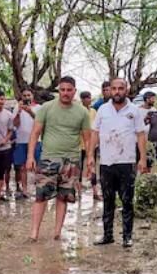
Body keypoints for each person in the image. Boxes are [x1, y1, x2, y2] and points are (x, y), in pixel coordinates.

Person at [26, 76, 92, 241]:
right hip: (48, 158)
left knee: (63, 197)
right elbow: (35, 133)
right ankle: (34, 233)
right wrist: (30, 156)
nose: (65, 93)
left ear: (74, 91)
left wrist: (90, 159)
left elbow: (88, 139)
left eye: (69, 90)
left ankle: (57, 232)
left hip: (71, 161)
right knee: (41, 196)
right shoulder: (46, 108)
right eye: (62, 90)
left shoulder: (82, 112)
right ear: (59, 91)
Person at [88, 78, 147, 248]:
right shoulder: (103, 110)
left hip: (127, 162)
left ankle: (127, 237)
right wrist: (91, 155)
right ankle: (107, 235)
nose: (117, 92)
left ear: (126, 90)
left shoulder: (134, 111)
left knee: (127, 200)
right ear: (109, 90)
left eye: (120, 88)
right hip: (106, 162)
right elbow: (95, 132)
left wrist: (142, 158)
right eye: (114, 88)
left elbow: (141, 135)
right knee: (108, 200)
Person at [11, 87, 40, 199]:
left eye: (29, 95)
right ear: (21, 97)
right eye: (25, 96)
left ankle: (39, 189)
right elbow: (15, 124)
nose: (27, 97)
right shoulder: (17, 107)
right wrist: (19, 112)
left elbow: (40, 122)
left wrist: (29, 111)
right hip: (21, 141)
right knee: (22, 167)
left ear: (32, 96)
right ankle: (24, 190)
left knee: (37, 166)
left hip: (36, 141)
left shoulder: (38, 108)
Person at [79, 90, 101, 199]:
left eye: (89, 97)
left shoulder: (93, 111)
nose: (88, 100)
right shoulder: (78, 111)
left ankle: (95, 192)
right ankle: (78, 192)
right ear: (82, 99)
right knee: (79, 169)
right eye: (86, 98)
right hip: (80, 145)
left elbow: (97, 126)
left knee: (92, 168)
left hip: (92, 145)